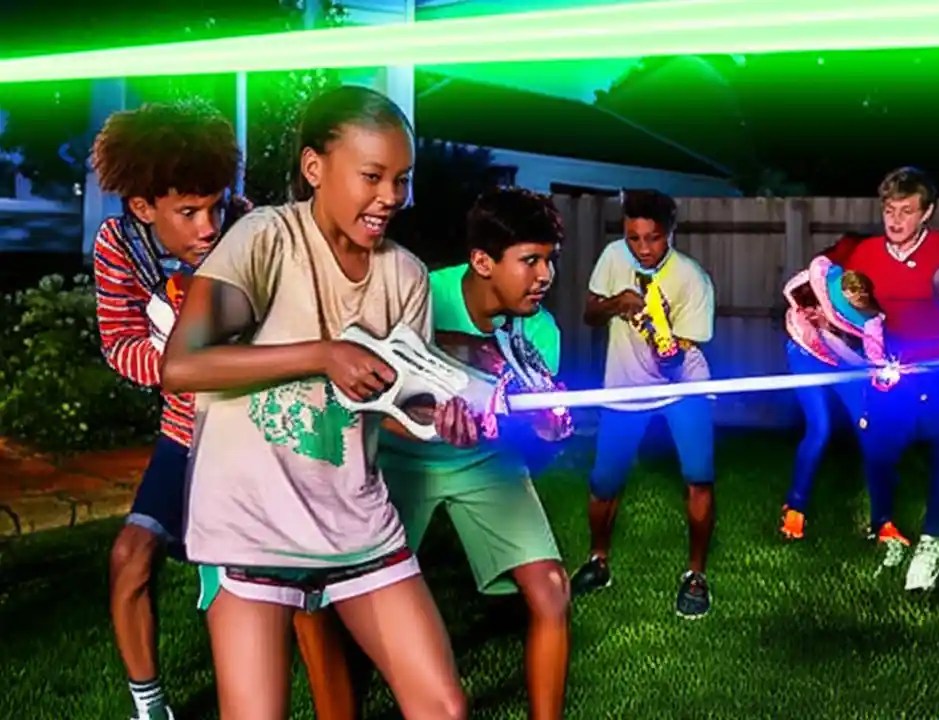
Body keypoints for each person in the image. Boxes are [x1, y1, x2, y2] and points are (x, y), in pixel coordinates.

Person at [160, 85, 468, 720]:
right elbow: (184, 364)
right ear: (314, 168)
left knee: (442, 708)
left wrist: (445, 424)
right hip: (254, 527)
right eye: (373, 176)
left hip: (357, 524)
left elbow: (395, 412)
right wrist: (322, 353)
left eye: (402, 180)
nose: (391, 197)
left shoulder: (405, 276)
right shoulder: (266, 238)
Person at [89, 101, 352, 720]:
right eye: (188, 212)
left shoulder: (252, 228)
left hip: (261, 429)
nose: (208, 224)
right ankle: (150, 708)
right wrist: (178, 357)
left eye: (214, 204)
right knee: (130, 557)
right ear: (142, 208)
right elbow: (118, 344)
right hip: (186, 432)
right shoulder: (117, 247)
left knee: (298, 590)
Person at [379, 188, 574, 720]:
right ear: (482, 261)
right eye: (530, 260)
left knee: (552, 590)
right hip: (399, 460)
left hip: (484, 461)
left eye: (549, 260)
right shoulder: (420, 294)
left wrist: (544, 433)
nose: (545, 276)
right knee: (350, 601)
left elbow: (530, 448)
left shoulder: (539, 332)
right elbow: (375, 398)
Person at [568, 189, 718, 619]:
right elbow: (590, 314)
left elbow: (675, 362)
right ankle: (598, 562)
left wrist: (658, 329)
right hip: (623, 384)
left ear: (670, 233)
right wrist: (618, 303)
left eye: (652, 238)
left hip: (682, 385)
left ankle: (696, 575)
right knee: (603, 482)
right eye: (634, 238)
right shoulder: (614, 257)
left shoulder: (692, 279)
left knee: (699, 477)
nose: (643, 249)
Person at [835, 166, 939, 592]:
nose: (895, 220)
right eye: (889, 210)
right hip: (889, 368)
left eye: (906, 211)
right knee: (878, 448)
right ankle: (887, 532)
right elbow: (853, 313)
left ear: (926, 213)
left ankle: (934, 543)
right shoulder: (865, 255)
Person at [778, 234, 884, 540]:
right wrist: (815, 319)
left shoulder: (872, 321)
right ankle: (795, 509)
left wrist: (878, 374)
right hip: (805, 354)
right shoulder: (822, 279)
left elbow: (863, 360)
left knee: (868, 428)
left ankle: (882, 518)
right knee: (819, 428)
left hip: (845, 363)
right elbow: (791, 292)